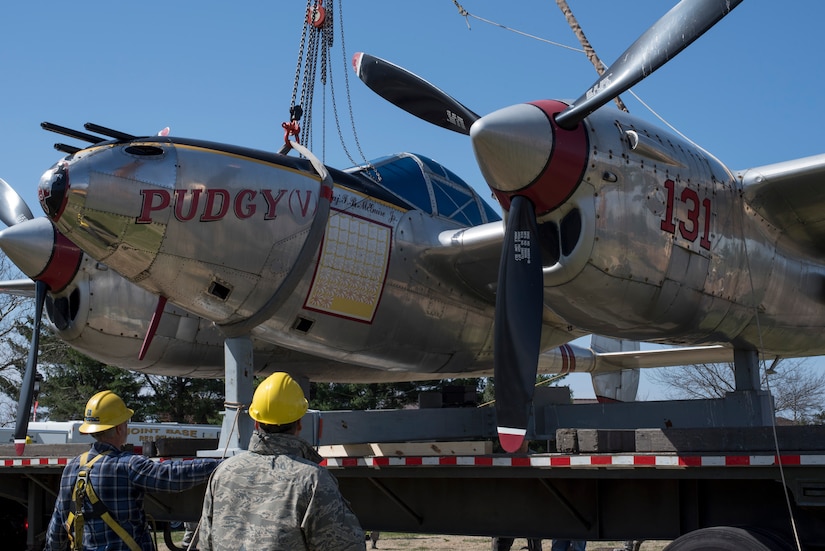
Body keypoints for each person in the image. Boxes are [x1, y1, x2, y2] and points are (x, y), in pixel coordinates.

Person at [199, 372, 365, 550]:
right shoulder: (313, 480)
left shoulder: (223, 473)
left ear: (256, 423)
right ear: (299, 424)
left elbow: (206, 542)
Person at [44, 390, 220, 551]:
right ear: (119, 428)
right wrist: (218, 465)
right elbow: (172, 476)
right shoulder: (128, 464)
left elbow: (58, 524)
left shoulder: (72, 467)